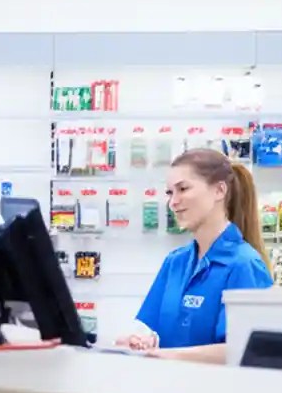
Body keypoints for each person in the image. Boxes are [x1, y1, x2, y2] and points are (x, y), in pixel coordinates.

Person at [116, 148, 273, 362]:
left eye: (183, 189)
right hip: (167, 382)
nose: (173, 202)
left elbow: (244, 350)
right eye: (170, 193)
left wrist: (168, 355)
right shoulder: (175, 262)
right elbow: (150, 327)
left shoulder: (244, 265)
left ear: (219, 190)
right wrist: (139, 341)